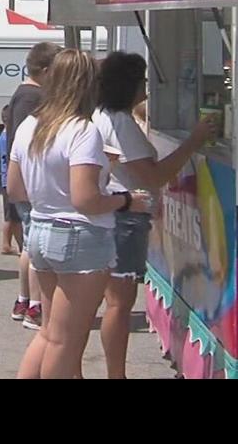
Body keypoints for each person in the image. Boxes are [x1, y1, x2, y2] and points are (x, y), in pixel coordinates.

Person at [7, 49, 153, 379]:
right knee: (66, 342)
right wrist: (125, 201)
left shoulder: (31, 125)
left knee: (49, 333)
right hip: (80, 238)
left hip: (41, 231)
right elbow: (86, 200)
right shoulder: (82, 130)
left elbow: (16, 189)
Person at [91, 51, 215, 379]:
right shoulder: (120, 123)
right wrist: (195, 141)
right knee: (118, 303)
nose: (146, 86)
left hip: (116, 216)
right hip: (125, 219)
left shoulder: (105, 116)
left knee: (104, 302)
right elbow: (153, 176)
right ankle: (116, 374)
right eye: (141, 81)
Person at [8, 42, 60, 330]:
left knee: (29, 246)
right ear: (46, 70)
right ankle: (35, 306)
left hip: (26, 181)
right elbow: (26, 144)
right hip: (30, 182)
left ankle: (25, 300)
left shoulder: (24, 94)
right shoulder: (32, 98)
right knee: (34, 247)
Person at [0, 104, 22, 256]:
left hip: (7, 181)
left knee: (12, 216)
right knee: (12, 217)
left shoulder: (4, 136)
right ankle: (14, 245)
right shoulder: (6, 138)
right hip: (8, 181)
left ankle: (10, 244)